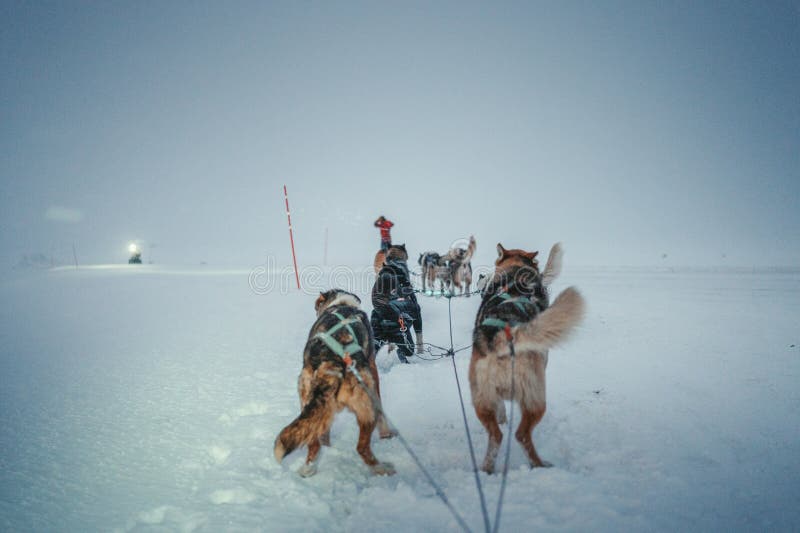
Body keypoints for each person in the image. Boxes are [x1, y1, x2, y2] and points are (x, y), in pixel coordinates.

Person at [370, 249, 423, 363]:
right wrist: (420, 344)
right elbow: (416, 314)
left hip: (380, 325)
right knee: (409, 350)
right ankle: (401, 350)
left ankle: (370, 359)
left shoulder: (379, 293)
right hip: (398, 328)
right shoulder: (406, 293)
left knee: (373, 349)